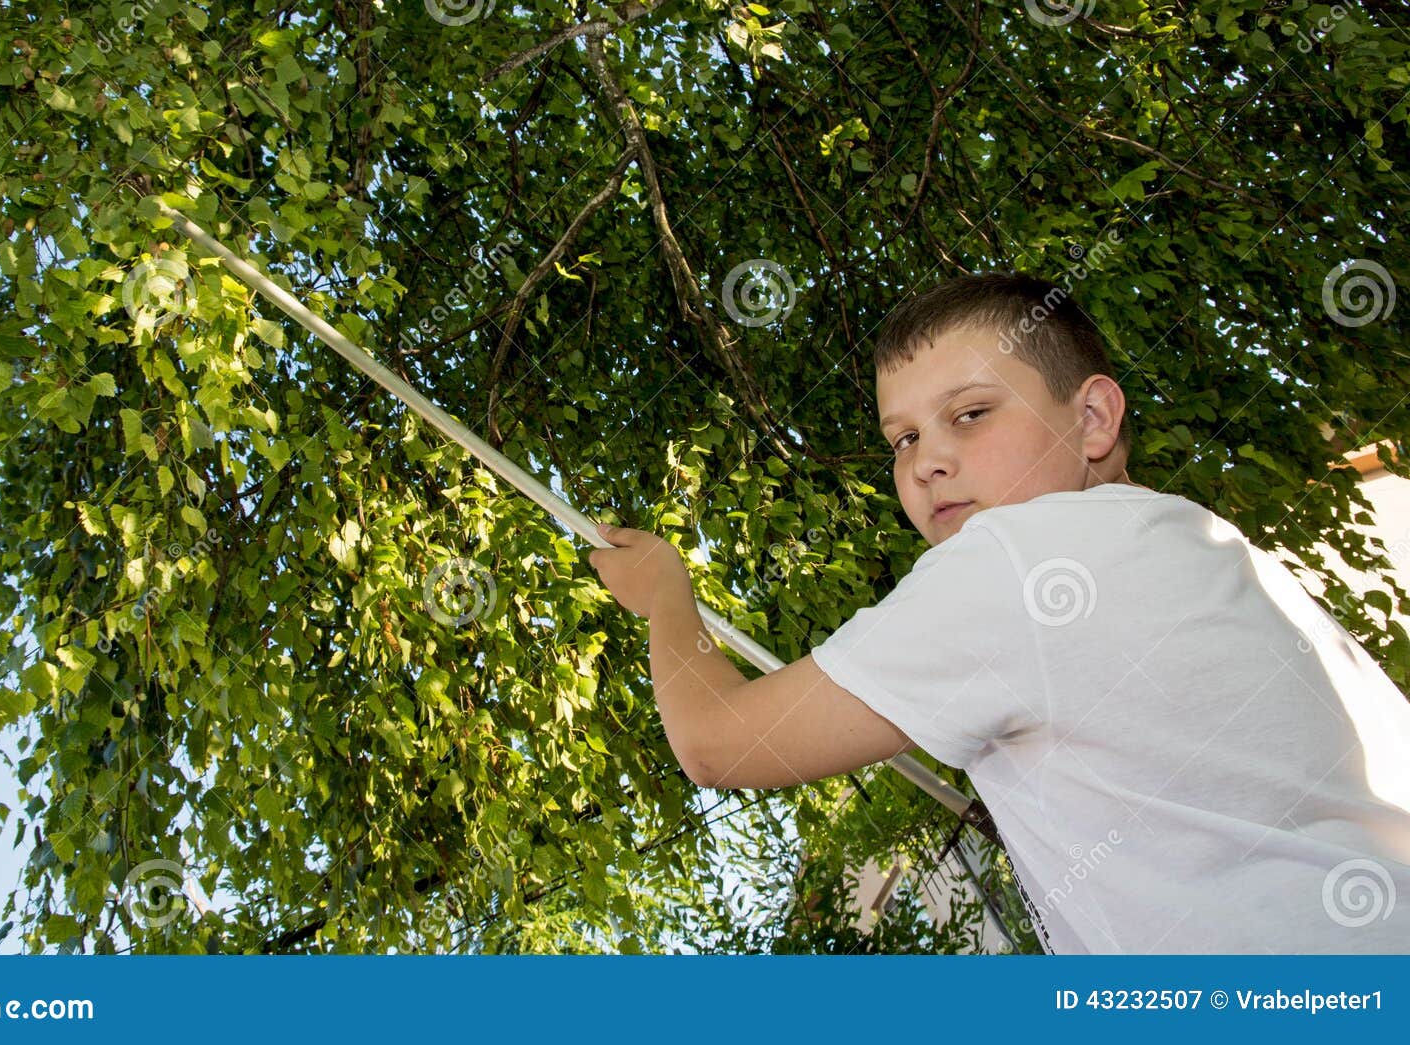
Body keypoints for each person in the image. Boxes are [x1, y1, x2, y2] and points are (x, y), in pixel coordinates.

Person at [588, 273, 1410, 953]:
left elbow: (718, 741)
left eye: (971, 414)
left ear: (1091, 418)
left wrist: (667, 589)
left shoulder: (1020, 554)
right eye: (901, 439)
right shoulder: (1208, 544)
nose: (929, 461)